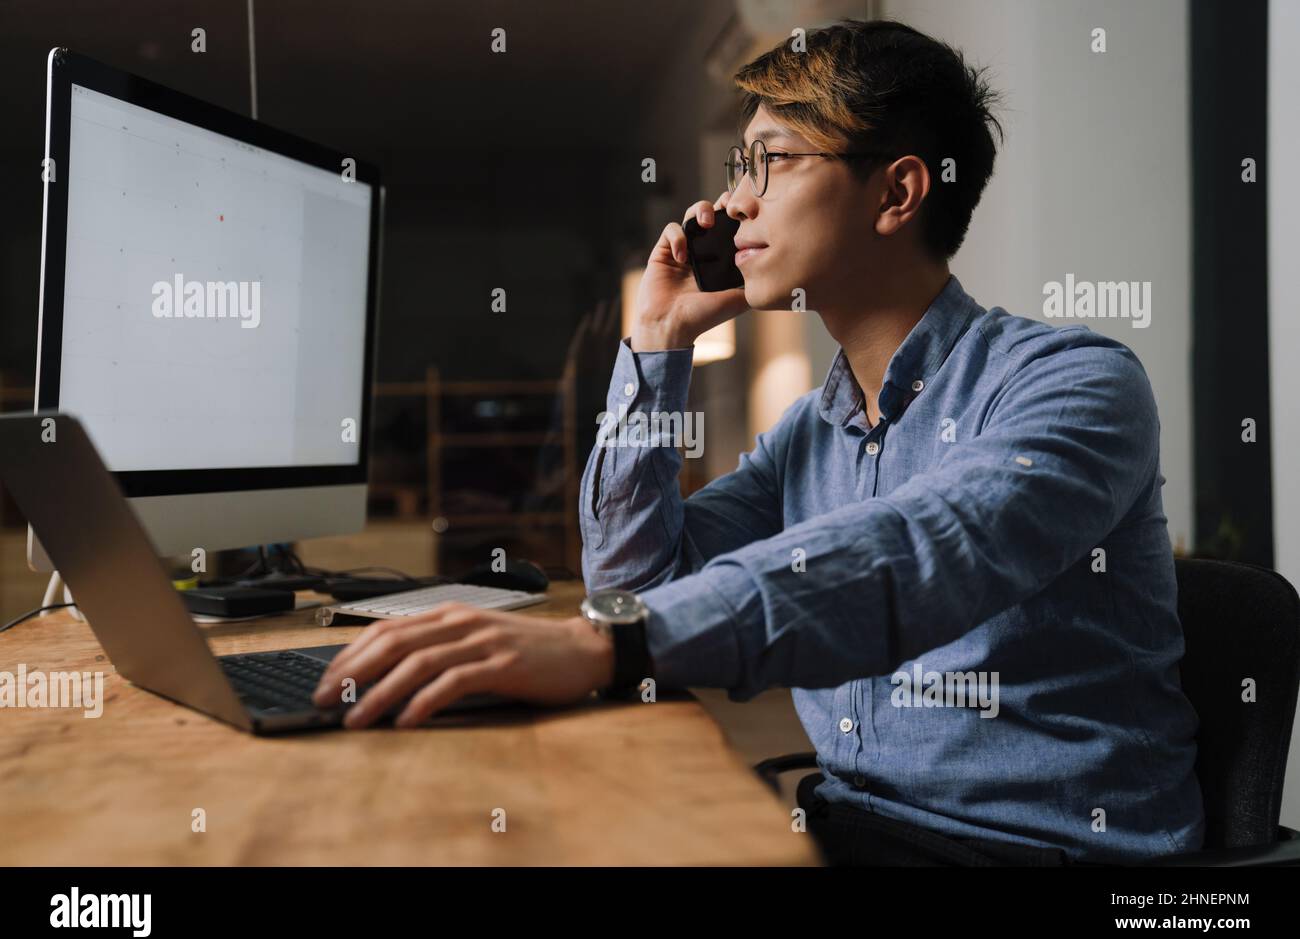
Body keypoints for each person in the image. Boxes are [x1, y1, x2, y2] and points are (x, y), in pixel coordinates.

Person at [313, 18, 1203, 865]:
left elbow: (924, 549)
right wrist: (660, 340)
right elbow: (634, 584)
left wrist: (603, 645)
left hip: (1039, 853)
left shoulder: (1077, 385)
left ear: (896, 191)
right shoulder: (812, 434)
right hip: (852, 831)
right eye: (741, 165)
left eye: (771, 162)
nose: (732, 201)